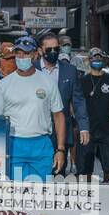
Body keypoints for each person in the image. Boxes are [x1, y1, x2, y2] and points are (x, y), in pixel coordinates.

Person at [0, 36, 65, 182]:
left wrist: (60, 149)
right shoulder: (4, 84)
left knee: (40, 195)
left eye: (26, 53)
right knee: (16, 195)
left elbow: (58, 116)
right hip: (14, 144)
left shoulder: (47, 81)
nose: (21, 57)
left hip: (41, 145)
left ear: (35, 54)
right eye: (18, 53)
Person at [36, 32, 88, 172]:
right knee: (37, 175)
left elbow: (78, 100)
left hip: (62, 132)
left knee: (58, 174)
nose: (53, 52)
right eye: (49, 50)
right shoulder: (31, 69)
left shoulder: (70, 71)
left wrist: (83, 127)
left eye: (56, 49)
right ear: (40, 51)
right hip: (36, 132)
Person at [77, 48, 109, 183]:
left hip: (107, 129)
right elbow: (75, 103)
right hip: (88, 129)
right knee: (86, 164)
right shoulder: (82, 81)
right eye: (94, 58)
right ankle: (88, 187)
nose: (97, 61)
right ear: (89, 61)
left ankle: (106, 183)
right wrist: (78, 121)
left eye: (100, 59)